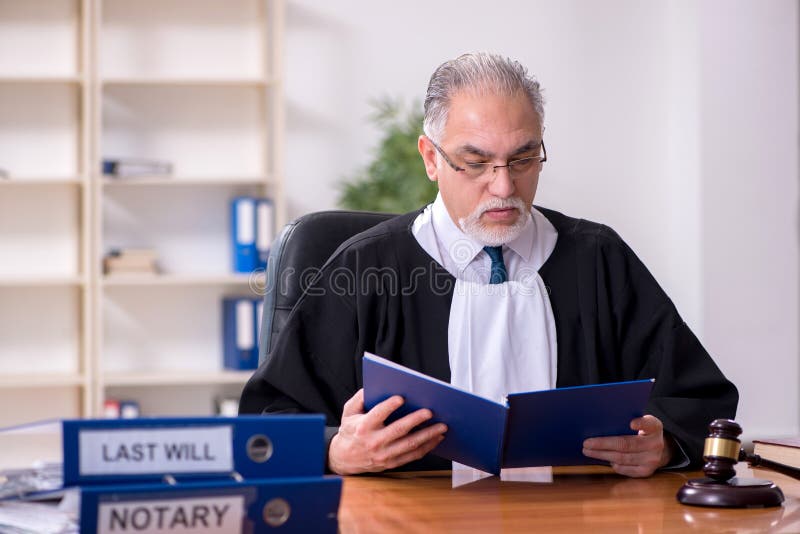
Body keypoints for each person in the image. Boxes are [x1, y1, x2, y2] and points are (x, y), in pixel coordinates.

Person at [240, 52, 738, 477]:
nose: (503, 187)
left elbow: (697, 400)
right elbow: (264, 428)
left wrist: (665, 444)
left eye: (522, 159)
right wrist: (335, 449)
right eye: (475, 163)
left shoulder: (597, 259)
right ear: (431, 159)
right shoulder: (364, 268)